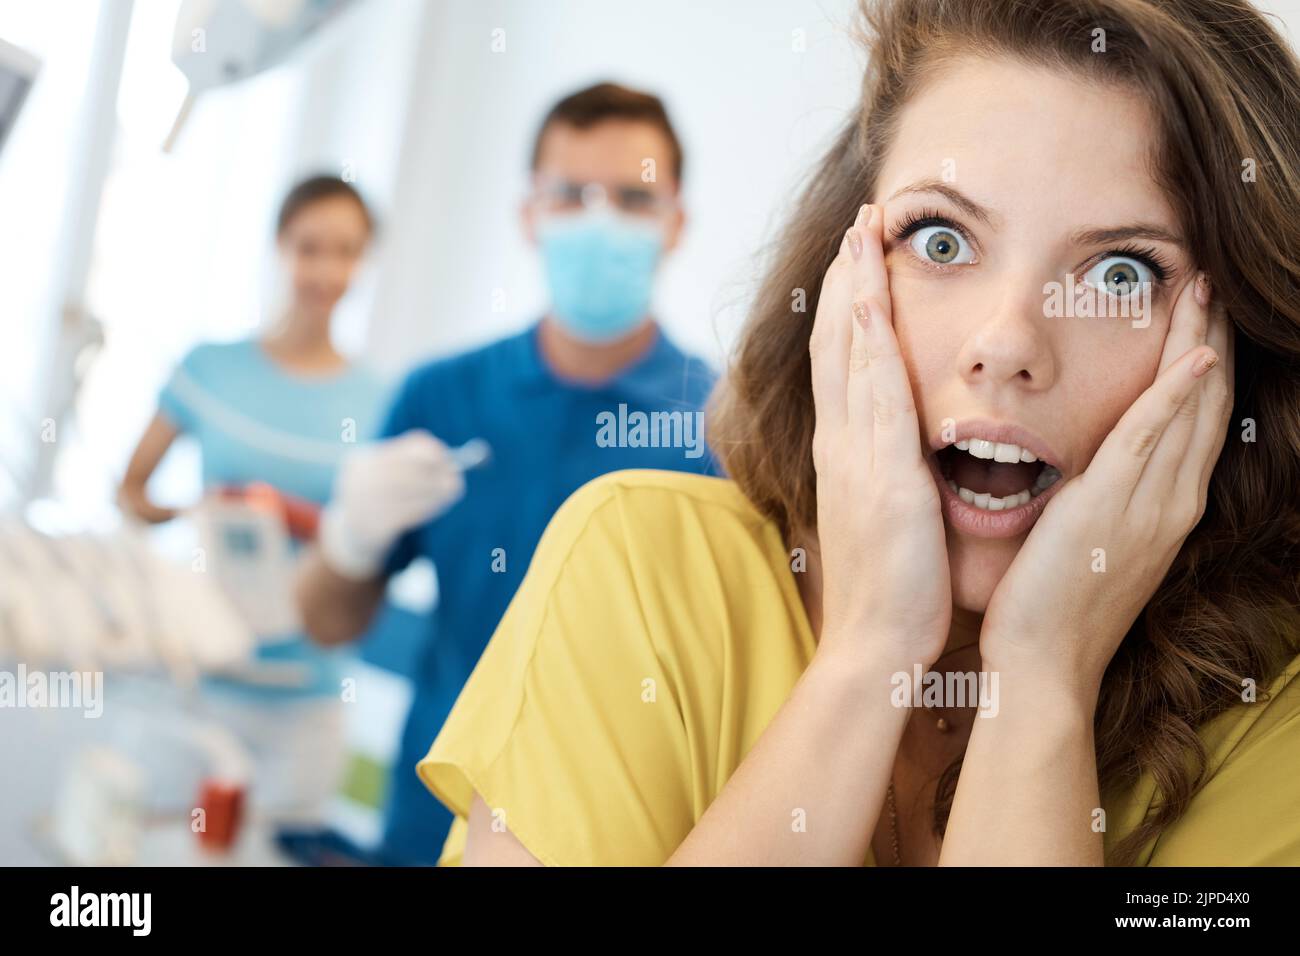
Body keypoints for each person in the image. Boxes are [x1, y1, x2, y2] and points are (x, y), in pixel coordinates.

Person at [417, 0, 1300, 866]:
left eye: (1118, 273)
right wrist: (870, 648)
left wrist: (1042, 681)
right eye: (942, 241)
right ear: (839, 280)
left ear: (1235, 353)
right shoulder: (641, 566)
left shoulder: (1277, 727)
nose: (1006, 344)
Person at [296, 82, 717, 865]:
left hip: (624, 845)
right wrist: (349, 538)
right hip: (428, 830)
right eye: (571, 195)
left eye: (632, 197)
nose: (599, 221)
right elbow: (327, 622)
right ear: (529, 213)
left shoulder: (729, 430)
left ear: (676, 223)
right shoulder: (441, 395)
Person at [120, 174, 390, 821]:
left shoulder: (378, 403)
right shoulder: (211, 368)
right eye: (309, 246)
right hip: (193, 680)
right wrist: (206, 513)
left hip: (306, 701)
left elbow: (374, 549)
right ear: (279, 246)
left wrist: (298, 520)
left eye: (345, 251)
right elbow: (131, 492)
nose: (325, 269)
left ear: (363, 261)